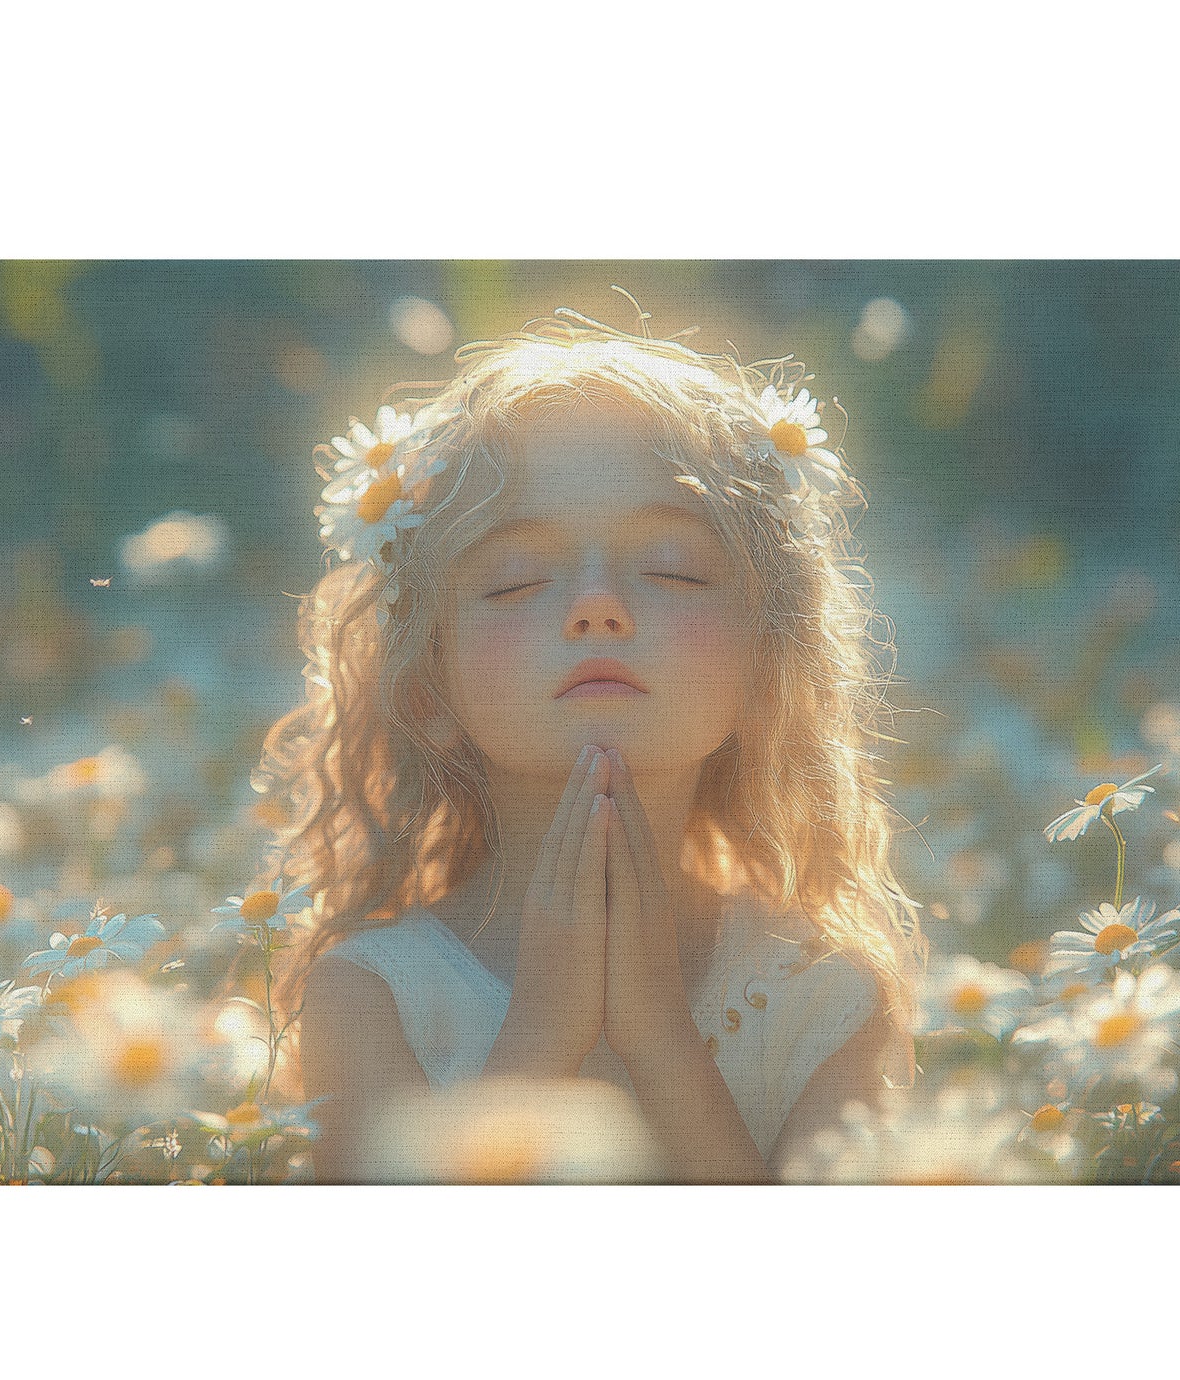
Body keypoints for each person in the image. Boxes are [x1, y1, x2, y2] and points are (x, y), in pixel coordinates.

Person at [258, 299, 927, 1183]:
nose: (596, 606)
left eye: (672, 569)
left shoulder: (825, 997)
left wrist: (662, 1043)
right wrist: (543, 1028)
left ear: (768, 673)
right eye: (514, 580)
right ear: (425, 689)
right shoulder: (371, 994)